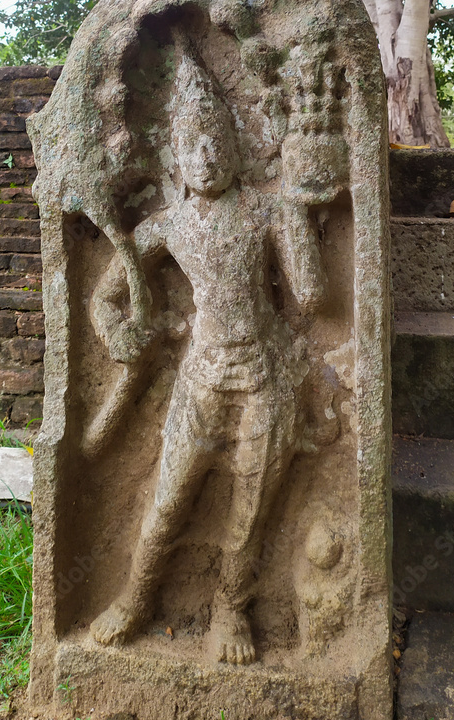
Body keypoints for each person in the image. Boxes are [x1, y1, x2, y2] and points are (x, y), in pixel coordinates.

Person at [88, 59, 325, 665]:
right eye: (192, 144)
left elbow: (315, 296)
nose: (206, 155)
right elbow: (105, 296)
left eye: (217, 141)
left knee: (252, 509)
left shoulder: (267, 212)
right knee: (169, 499)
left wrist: (298, 212)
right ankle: (135, 599)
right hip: (201, 380)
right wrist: (116, 331)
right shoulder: (166, 227)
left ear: (237, 149)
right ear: (176, 157)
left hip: (266, 378)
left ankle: (231, 609)